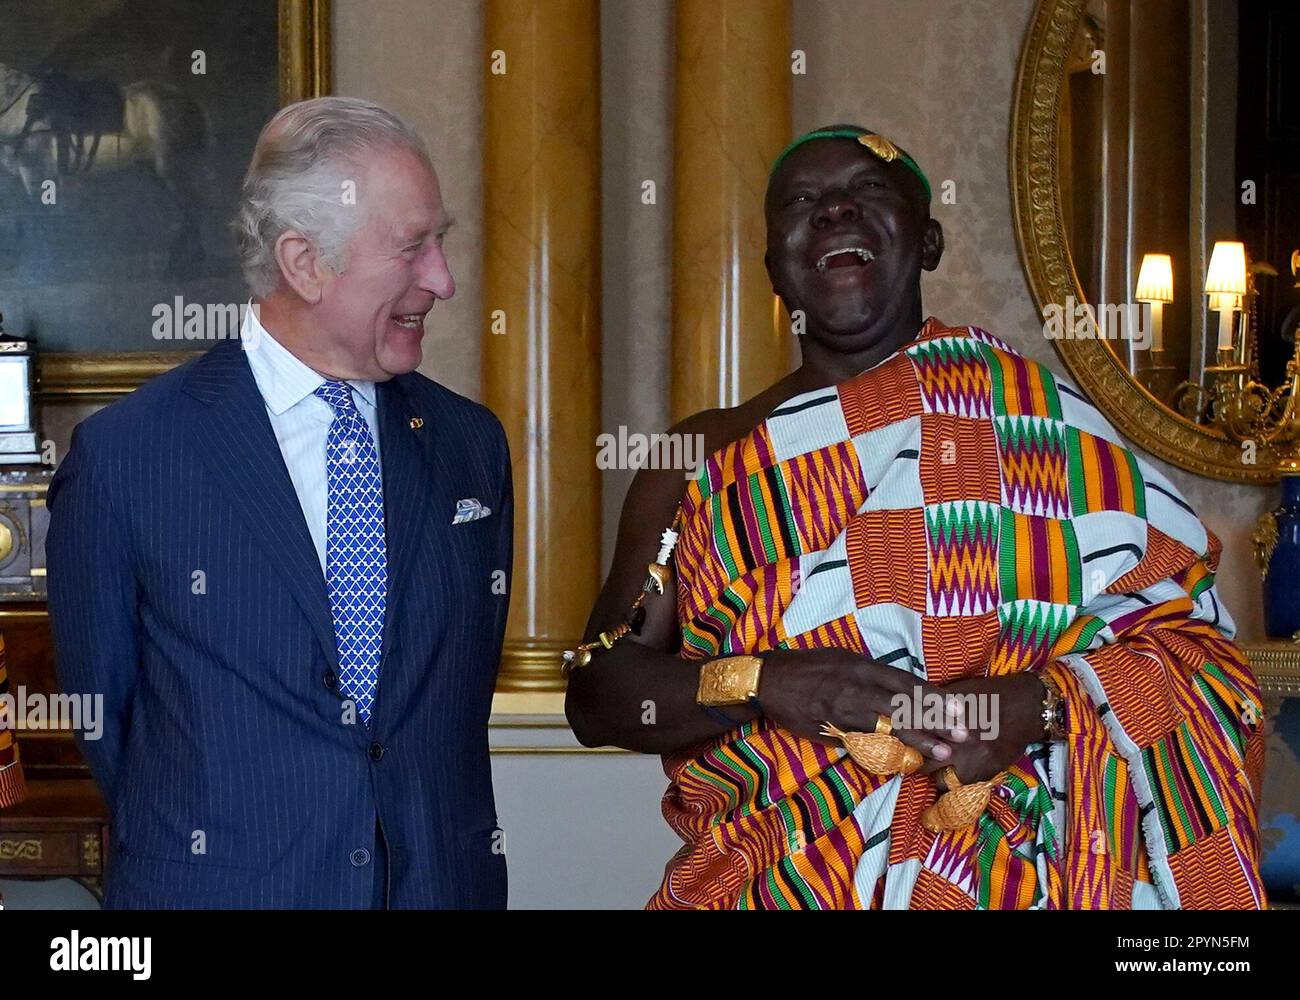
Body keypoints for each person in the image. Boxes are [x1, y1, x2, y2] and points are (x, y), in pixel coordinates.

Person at [567, 124, 1265, 909]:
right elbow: (598, 693)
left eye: (867, 191)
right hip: (769, 879)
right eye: (801, 201)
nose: (832, 210)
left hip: (1013, 876)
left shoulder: (1041, 424)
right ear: (774, 267)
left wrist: (1035, 704)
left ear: (927, 242)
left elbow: (1197, 656)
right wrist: (766, 681)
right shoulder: (702, 453)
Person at [46, 97, 512, 909]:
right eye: (412, 248)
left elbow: (453, 704)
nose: (442, 279)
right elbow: (107, 718)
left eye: (441, 241)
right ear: (305, 262)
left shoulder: (469, 445)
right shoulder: (130, 456)